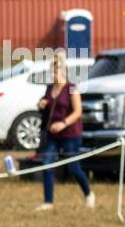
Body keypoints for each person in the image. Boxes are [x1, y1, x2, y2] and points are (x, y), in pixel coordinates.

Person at [35, 49, 94, 211]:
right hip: (52, 134)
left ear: (62, 72)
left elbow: (78, 112)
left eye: (54, 72)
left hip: (70, 134)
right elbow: (46, 104)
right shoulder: (49, 89)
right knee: (47, 164)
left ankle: (88, 194)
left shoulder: (72, 88)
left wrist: (63, 123)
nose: (52, 75)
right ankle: (48, 202)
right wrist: (41, 104)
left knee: (73, 167)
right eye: (51, 72)